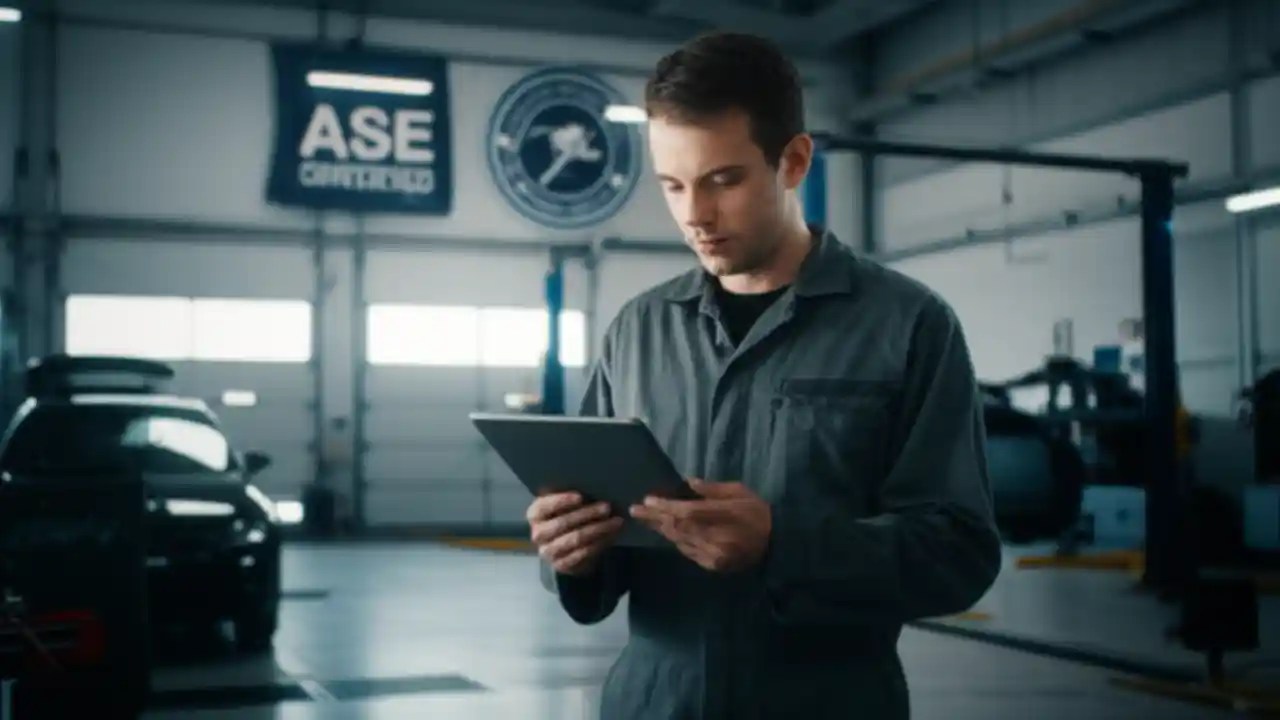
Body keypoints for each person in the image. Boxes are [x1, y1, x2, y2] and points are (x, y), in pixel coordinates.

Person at [526, 30, 1002, 720]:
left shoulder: (908, 325)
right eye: (673, 185)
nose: (695, 215)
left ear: (794, 161)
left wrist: (784, 545)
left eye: (724, 180)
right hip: (654, 703)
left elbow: (958, 553)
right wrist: (570, 553)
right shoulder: (637, 330)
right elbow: (597, 543)